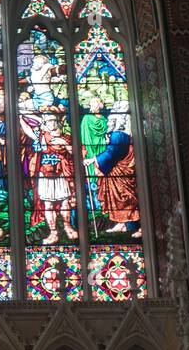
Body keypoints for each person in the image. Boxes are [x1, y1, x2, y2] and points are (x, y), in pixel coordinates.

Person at [21, 111, 77, 244]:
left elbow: (76, 153)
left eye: (53, 120)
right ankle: (53, 232)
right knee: (48, 204)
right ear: (44, 124)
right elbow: (28, 130)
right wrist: (20, 116)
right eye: (47, 121)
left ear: (58, 123)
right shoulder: (41, 137)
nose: (51, 123)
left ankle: (68, 227)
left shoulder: (67, 137)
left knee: (65, 201)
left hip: (61, 173)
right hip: (45, 174)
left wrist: (64, 143)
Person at [85, 102, 139, 237]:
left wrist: (93, 160)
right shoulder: (119, 134)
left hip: (122, 172)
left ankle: (135, 226)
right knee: (119, 198)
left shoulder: (119, 135)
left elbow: (113, 152)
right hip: (118, 171)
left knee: (124, 198)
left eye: (113, 116)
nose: (110, 118)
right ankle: (122, 224)